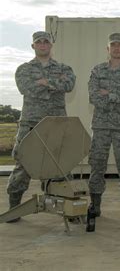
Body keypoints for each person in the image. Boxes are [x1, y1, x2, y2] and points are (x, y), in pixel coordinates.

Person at [5, 31, 76, 223]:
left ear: (51, 45)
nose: (43, 45)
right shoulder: (24, 69)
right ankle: (15, 207)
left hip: (56, 123)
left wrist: (44, 82)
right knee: (23, 165)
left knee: (61, 164)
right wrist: (54, 85)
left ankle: (69, 207)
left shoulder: (64, 68)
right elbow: (25, 88)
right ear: (33, 46)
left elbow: (69, 84)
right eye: (39, 42)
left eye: (46, 42)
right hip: (31, 123)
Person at [87, 33, 120, 219]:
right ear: (107, 49)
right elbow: (94, 97)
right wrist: (119, 95)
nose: (117, 48)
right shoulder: (97, 70)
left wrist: (108, 94)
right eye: (113, 45)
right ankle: (95, 205)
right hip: (101, 126)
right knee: (97, 165)